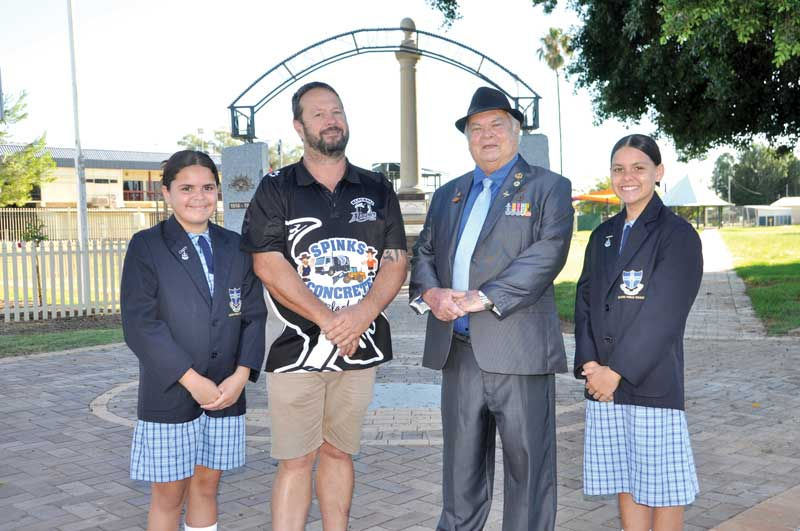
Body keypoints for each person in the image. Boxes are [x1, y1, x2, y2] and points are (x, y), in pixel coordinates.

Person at [240, 81, 407, 530]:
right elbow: (268, 263)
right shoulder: (276, 188)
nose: (331, 119)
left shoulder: (375, 187)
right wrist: (329, 320)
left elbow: (395, 261)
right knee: (297, 459)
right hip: (295, 348)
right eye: (318, 114)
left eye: (336, 110)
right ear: (299, 127)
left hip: (360, 344)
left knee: (339, 450)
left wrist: (361, 316)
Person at [409, 86, 574, 530]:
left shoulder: (549, 188)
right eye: (476, 128)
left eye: (496, 125)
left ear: (516, 131)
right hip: (458, 352)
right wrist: (431, 295)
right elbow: (424, 252)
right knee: (460, 473)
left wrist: (484, 297)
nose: (486, 136)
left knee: (528, 472)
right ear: (466, 138)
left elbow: (548, 253)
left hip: (519, 351)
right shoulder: (448, 195)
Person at [121, 150, 266, 531]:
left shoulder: (236, 246)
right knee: (169, 494)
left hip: (225, 390)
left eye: (207, 187)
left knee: (206, 485)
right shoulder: (147, 246)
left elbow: (253, 315)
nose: (198, 196)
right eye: (186, 188)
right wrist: (191, 380)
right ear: (166, 192)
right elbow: (141, 324)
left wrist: (241, 374)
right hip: (170, 390)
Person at [574, 134, 702, 531]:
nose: (627, 177)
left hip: (650, 381)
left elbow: (664, 315)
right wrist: (591, 363)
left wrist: (616, 371)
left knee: (663, 487)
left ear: (658, 173)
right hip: (604, 382)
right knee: (625, 478)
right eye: (618, 169)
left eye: (638, 168)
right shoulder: (602, 235)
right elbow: (584, 302)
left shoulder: (677, 235)